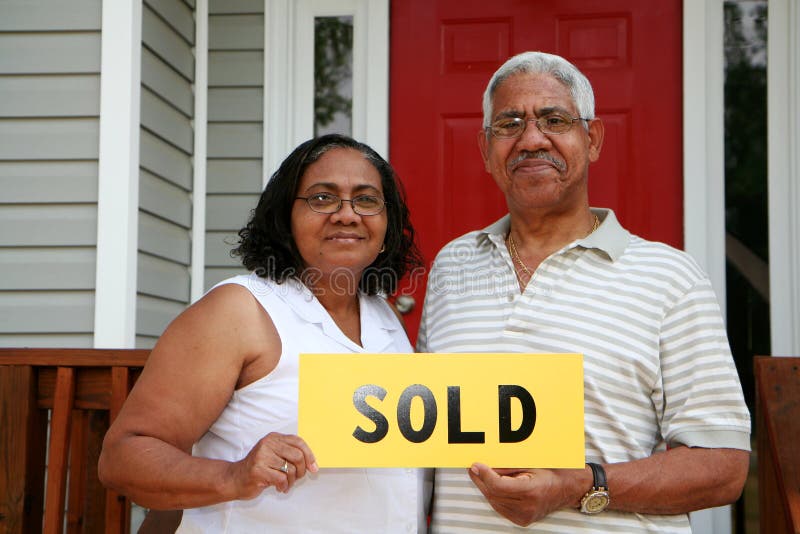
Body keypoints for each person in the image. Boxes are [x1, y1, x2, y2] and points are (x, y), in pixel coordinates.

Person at [416, 51, 751, 533]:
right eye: (509, 124)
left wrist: (576, 486)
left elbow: (723, 467)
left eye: (554, 120)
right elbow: (425, 431)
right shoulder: (453, 264)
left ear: (591, 139)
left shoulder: (671, 278)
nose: (532, 139)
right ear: (486, 149)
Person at [99, 134, 429, 533]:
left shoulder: (385, 317)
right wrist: (233, 476)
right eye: (322, 198)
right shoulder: (239, 311)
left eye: (367, 199)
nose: (347, 214)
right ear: (284, 217)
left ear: (387, 222)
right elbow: (122, 457)